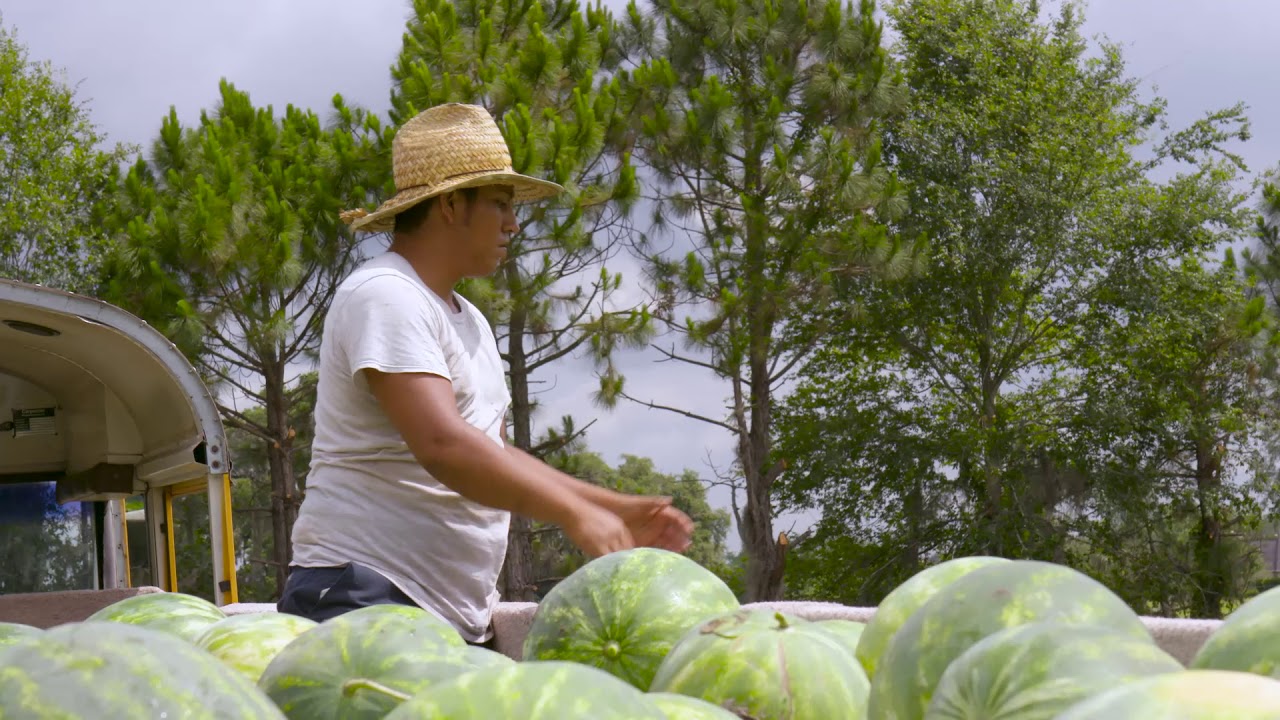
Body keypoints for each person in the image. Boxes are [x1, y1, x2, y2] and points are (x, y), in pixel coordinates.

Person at [277, 103, 695, 647]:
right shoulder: (384, 294)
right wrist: (572, 514)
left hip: (436, 614)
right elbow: (443, 445)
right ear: (452, 205)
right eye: (499, 204)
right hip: (363, 597)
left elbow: (492, 454)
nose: (513, 223)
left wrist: (611, 507)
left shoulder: (466, 319)